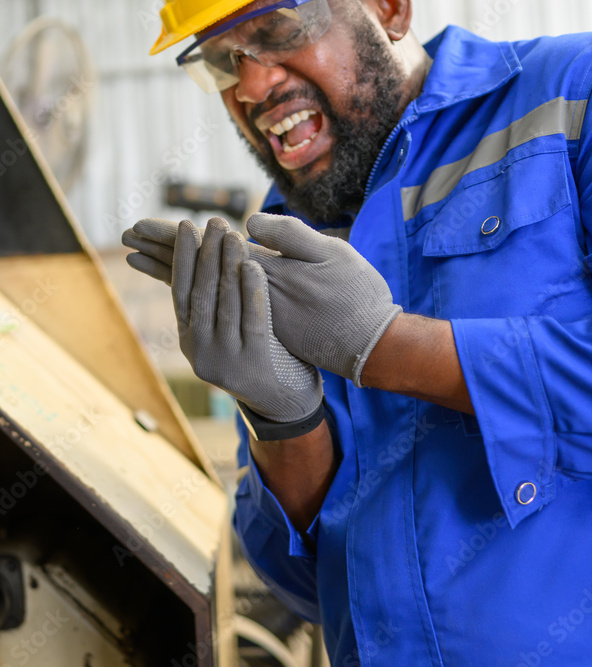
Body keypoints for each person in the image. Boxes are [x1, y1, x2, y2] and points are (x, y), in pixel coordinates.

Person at [122, 0, 592, 664]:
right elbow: (307, 589)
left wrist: (387, 347)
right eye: (223, 60)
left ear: (390, 9)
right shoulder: (280, 241)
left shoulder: (570, 96)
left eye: (278, 30)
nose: (250, 86)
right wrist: (283, 420)